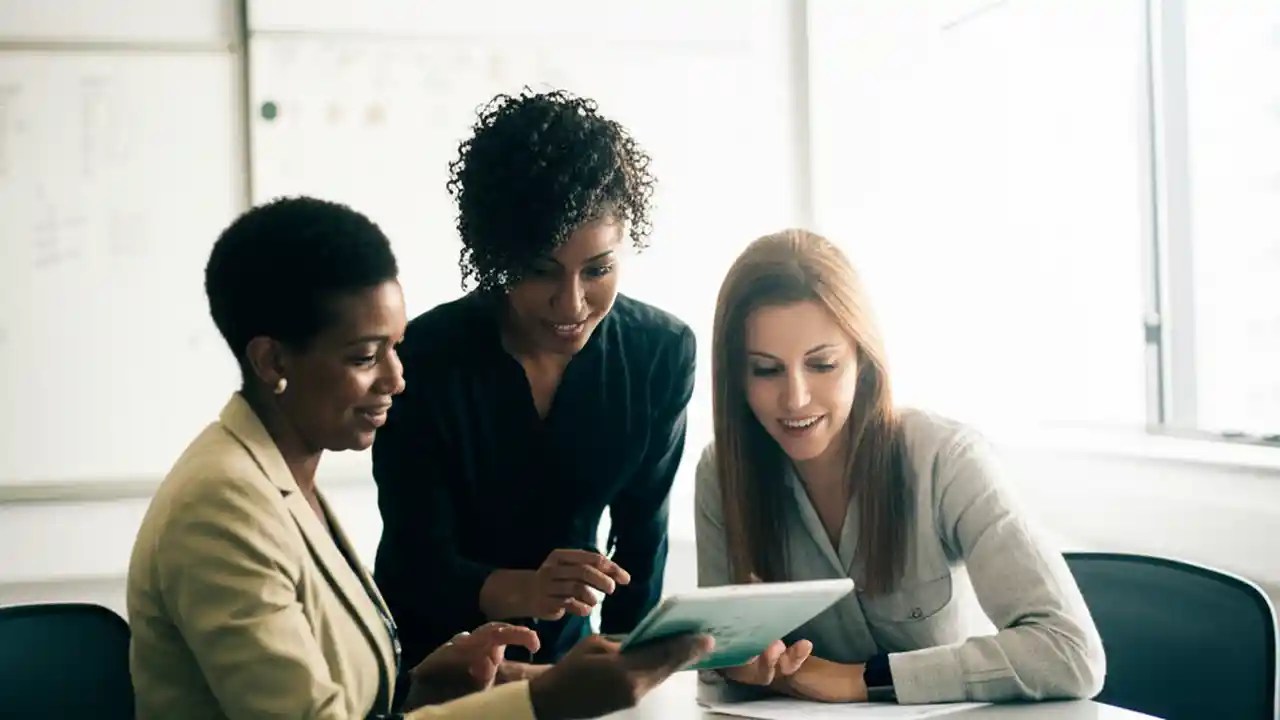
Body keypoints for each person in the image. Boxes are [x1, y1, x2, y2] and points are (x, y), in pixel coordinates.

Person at [126, 196, 711, 720]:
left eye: (395, 348)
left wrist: (420, 687)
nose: (397, 380)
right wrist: (542, 699)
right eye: (364, 356)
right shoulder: (224, 510)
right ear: (273, 363)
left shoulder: (278, 481)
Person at [694, 229, 1105, 705]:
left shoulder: (946, 459)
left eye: (822, 365)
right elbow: (718, 662)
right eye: (766, 370)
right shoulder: (721, 472)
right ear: (736, 378)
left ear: (862, 362)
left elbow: (1071, 652)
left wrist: (859, 679)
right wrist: (739, 667)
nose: (796, 398)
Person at [372, 89, 697, 667]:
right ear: (497, 255)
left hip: (567, 666)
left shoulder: (659, 353)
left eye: (598, 270)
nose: (571, 303)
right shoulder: (423, 357)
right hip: (434, 667)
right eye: (539, 271)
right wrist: (524, 588)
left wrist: (627, 678)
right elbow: (414, 560)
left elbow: (643, 549)